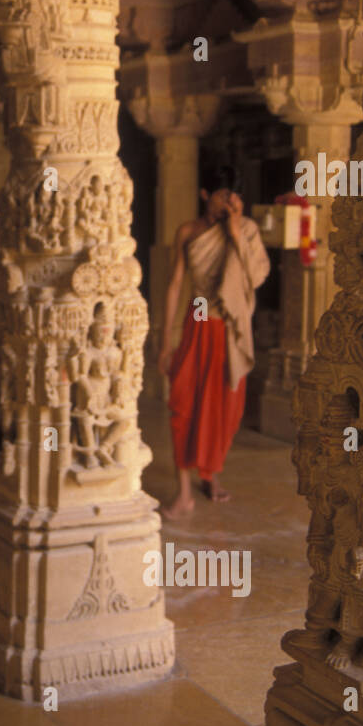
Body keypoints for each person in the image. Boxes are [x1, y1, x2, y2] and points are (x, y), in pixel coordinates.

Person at [158, 166, 270, 518]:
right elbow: (176, 283)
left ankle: (211, 475)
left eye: (233, 197)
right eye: (223, 195)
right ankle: (184, 492)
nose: (229, 203)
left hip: (231, 326)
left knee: (224, 405)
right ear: (207, 195)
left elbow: (256, 276)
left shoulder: (245, 230)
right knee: (184, 399)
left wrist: (236, 233)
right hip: (202, 315)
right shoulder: (189, 231)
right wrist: (165, 341)